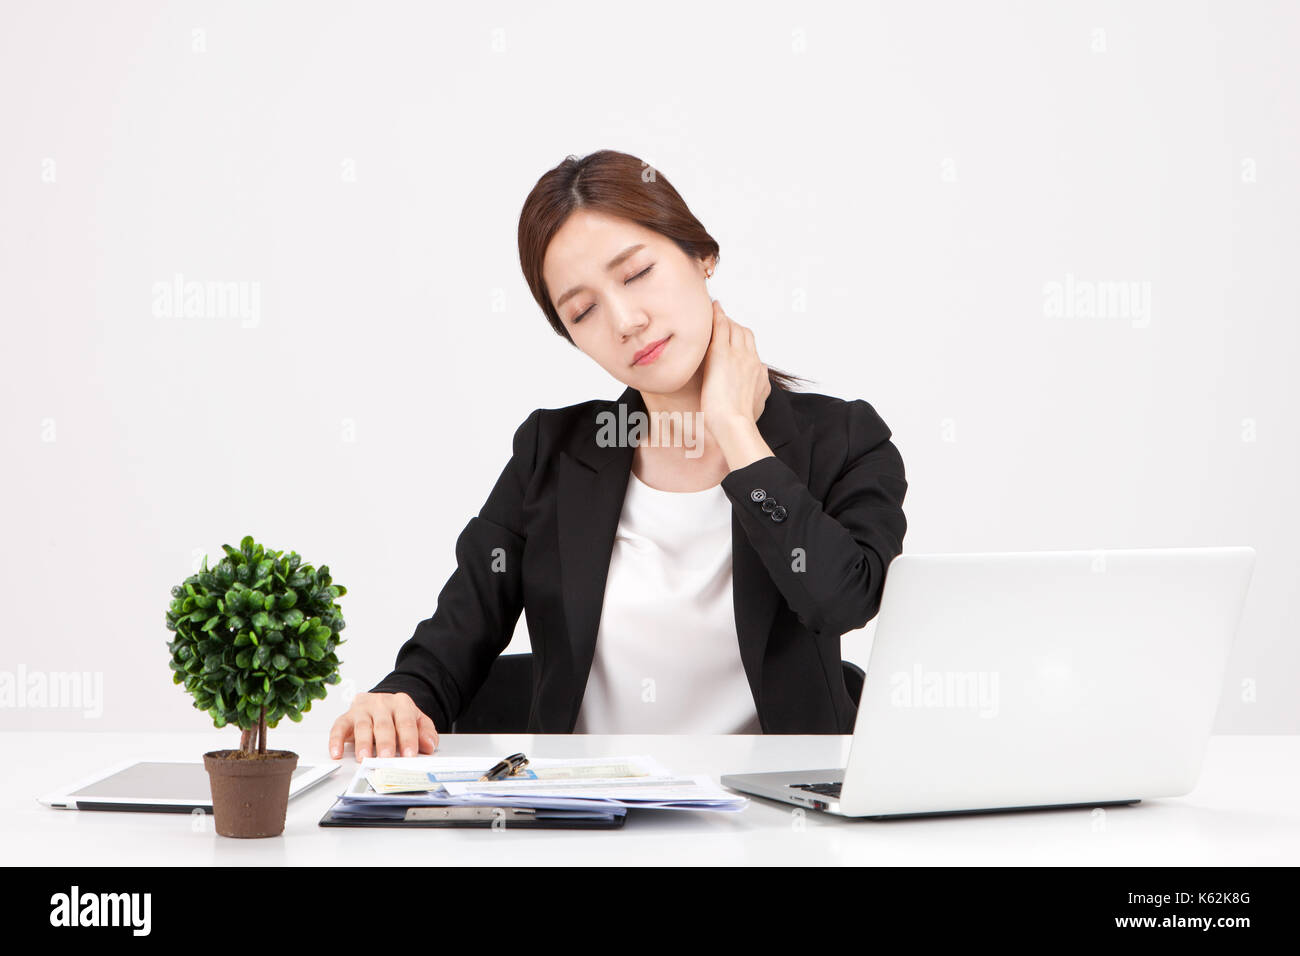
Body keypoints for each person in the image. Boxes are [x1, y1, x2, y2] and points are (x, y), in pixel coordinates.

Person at [329, 149, 908, 760]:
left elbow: (839, 600)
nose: (626, 321)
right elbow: (455, 638)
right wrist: (397, 696)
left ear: (702, 255)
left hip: (771, 824)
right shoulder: (548, 455)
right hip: (590, 821)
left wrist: (737, 432)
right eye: (583, 311)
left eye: (636, 274)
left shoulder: (843, 439)